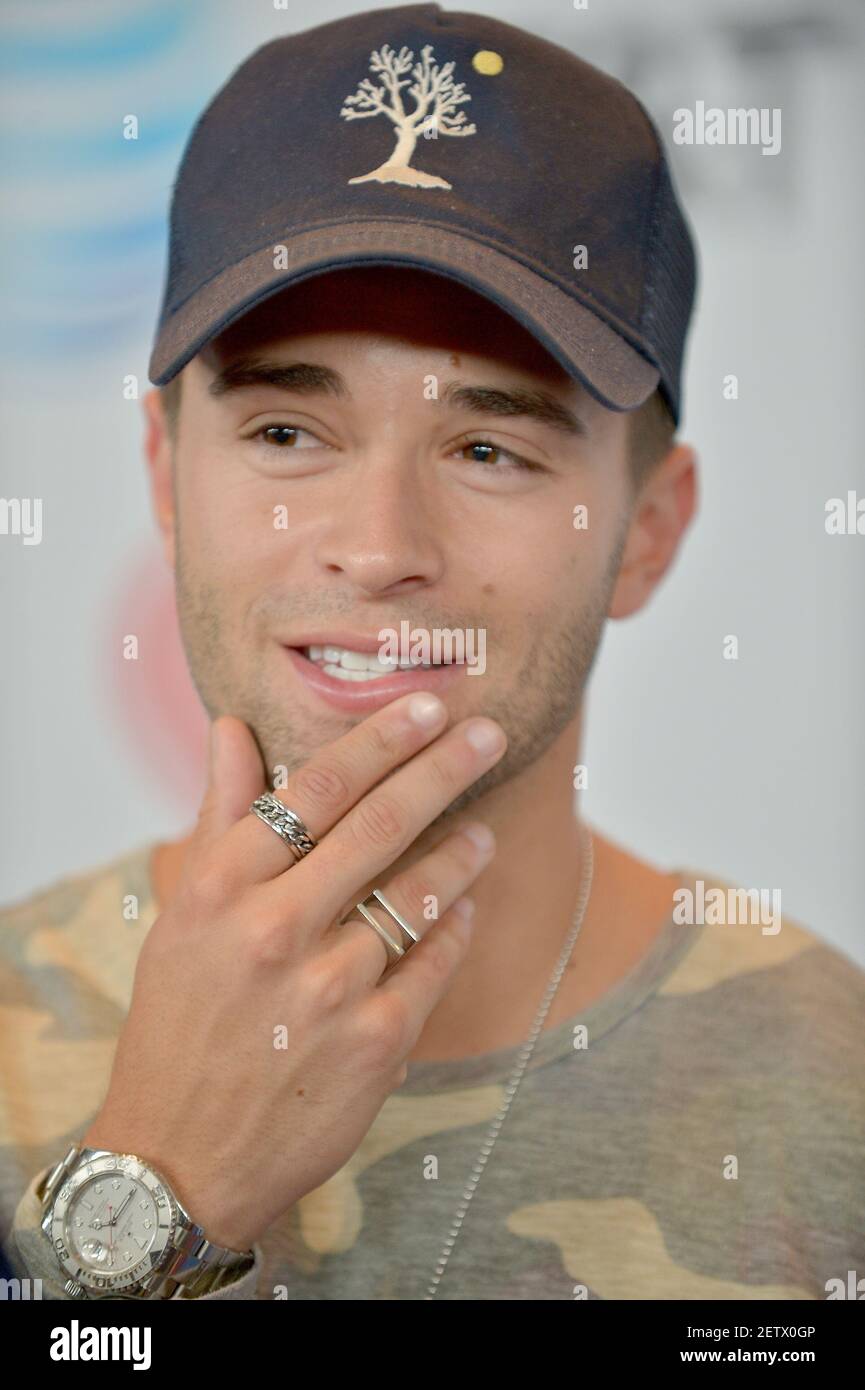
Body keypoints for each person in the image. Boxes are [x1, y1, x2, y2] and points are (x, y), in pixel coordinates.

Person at [1, 3, 862, 1303]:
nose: (376, 545)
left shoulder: (833, 1089)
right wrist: (152, 1189)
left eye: (487, 449)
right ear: (165, 479)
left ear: (646, 532)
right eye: (288, 431)